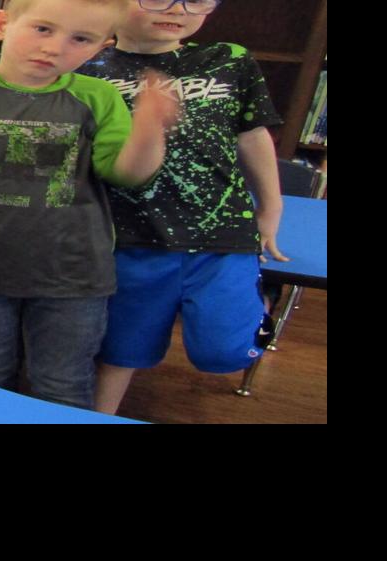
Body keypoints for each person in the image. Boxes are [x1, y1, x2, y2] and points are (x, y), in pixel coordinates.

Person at [0, 0, 178, 410]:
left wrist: (148, 130)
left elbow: (126, 174)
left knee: (61, 383)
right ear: (2, 24)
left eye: (81, 39)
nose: (55, 48)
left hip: (74, 275)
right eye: (43, 29)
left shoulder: (98, 97)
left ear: (101, 47)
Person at [79, 0, 288, 415]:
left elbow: (252, 136)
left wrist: (271, 207)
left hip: (221, 235)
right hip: (127, 240)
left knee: (224, 353)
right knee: (120, 350)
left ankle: (259, 304)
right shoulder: (85, 68)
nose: (177, 8)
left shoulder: (228, 59)